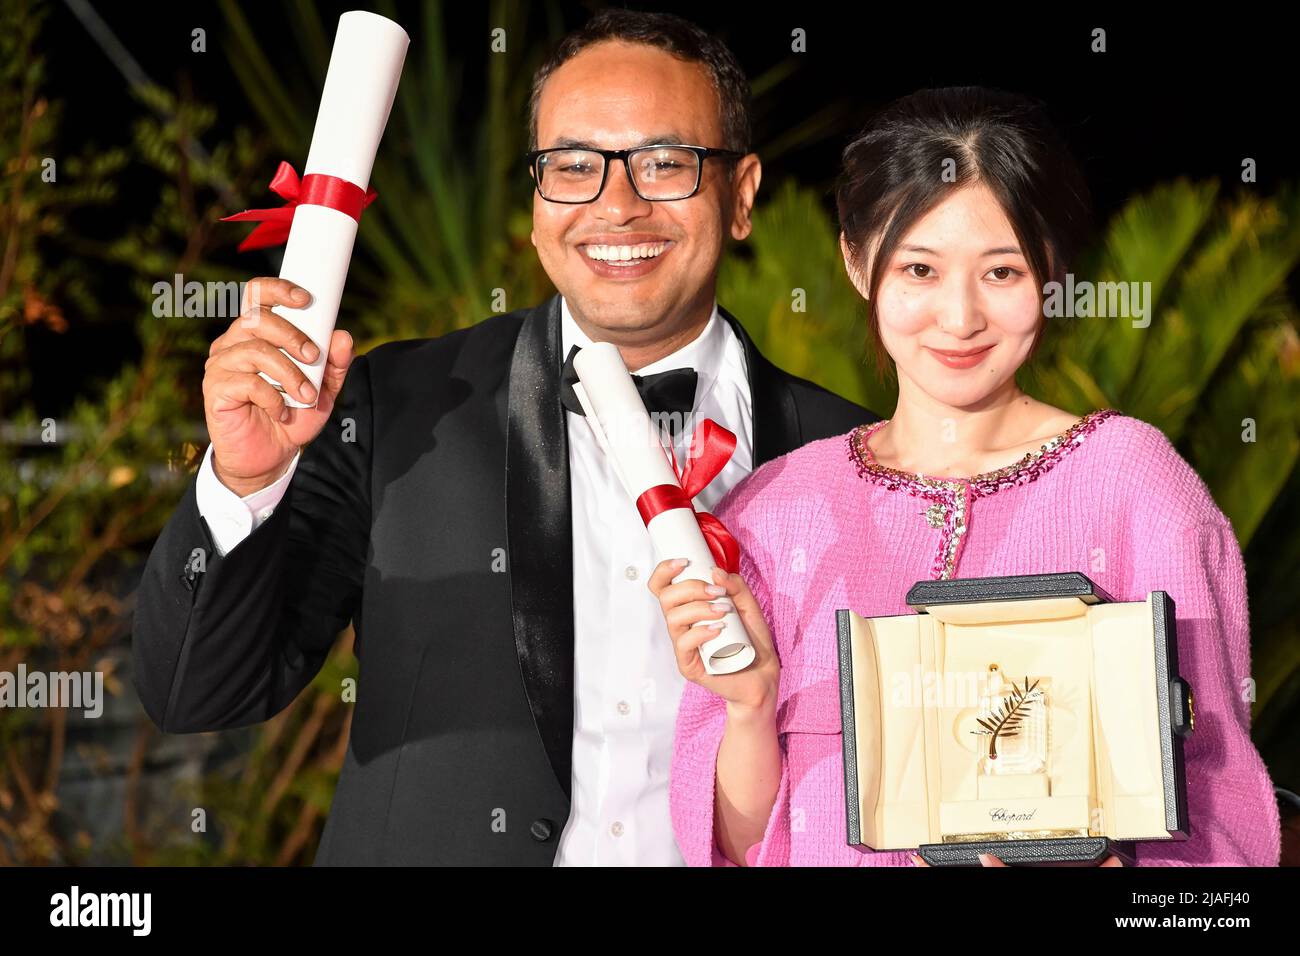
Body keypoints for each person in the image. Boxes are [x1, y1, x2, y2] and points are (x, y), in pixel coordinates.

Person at [129, 9, 874, 866]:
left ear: (741, 195)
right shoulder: (399, 407)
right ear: (535, 204)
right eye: (573, 168)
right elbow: (196, 693)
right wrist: (243, 479)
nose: (617, 206)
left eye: (666, 164)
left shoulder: (849, 458)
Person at [651, 86, 1283, 867]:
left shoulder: (1135, 486)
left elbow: (1227, 817)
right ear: (856, 261)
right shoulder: (778, 508)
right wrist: (749, 708)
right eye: (919, 268)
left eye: (1002, 273)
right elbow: (744, 851)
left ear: (1052, 270)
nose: (959, 318)